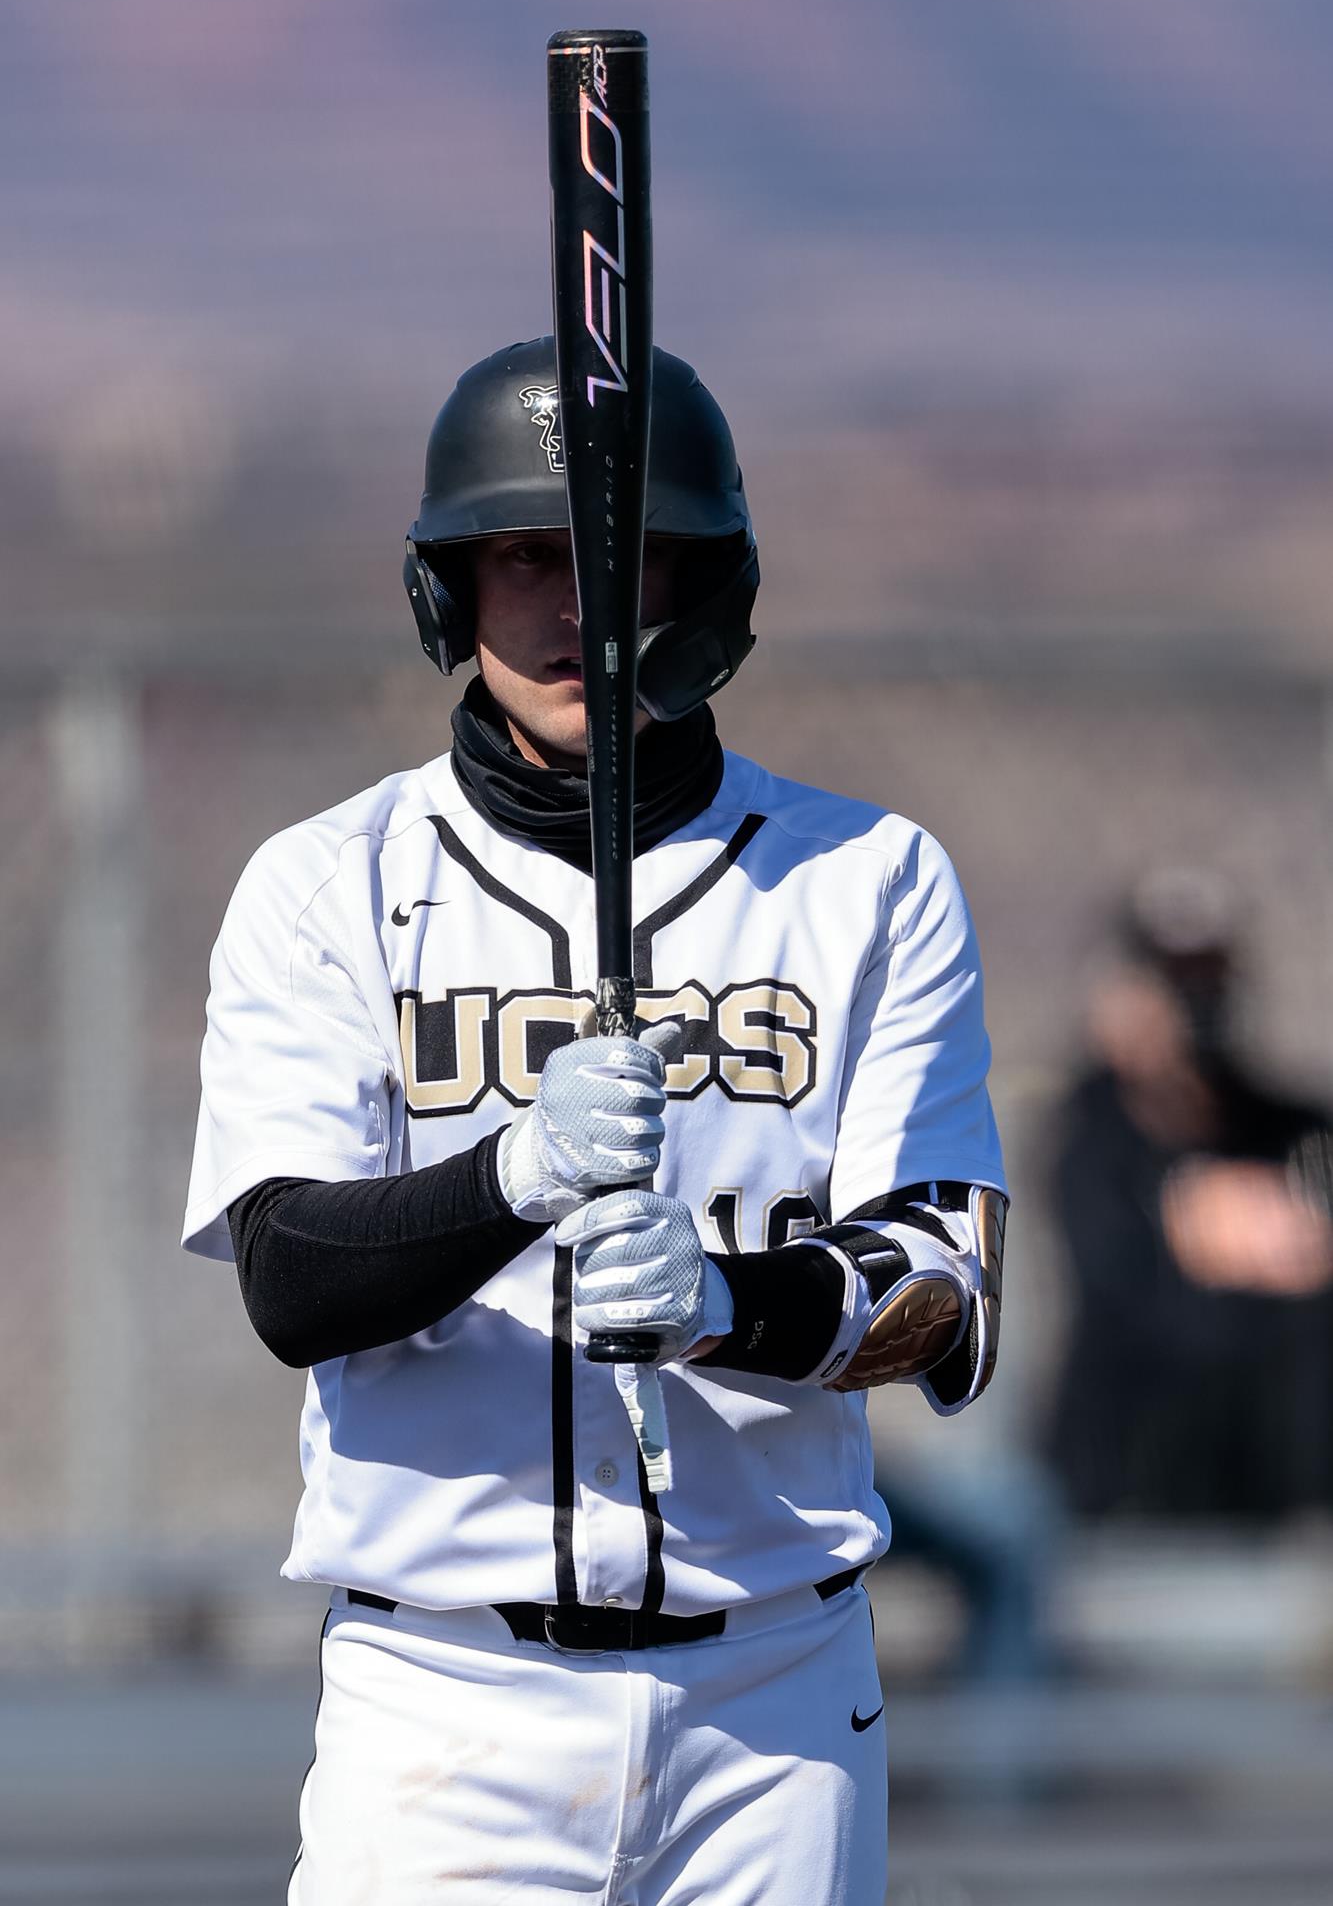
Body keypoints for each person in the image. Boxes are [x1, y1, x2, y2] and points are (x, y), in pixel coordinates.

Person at [182, 338, 1007, 1905]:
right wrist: (513, 1174)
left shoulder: (868, 881)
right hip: (443, 1711)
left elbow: (947, 1295)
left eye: (626, 556)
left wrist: (727, 1306)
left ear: (710, 586)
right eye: (521, 557)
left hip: (775, 1703)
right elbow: (291, 1280)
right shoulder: (330, 885)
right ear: (448, 589)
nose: (574, 607)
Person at [1045, 868, 1333, 1522]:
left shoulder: (1293, 1133)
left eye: (1211, 978)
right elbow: (1129, 1291)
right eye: (1174, 980)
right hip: (1126, 1496)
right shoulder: (1091, 1135)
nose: (1196, 1004)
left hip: (1281, 1495)